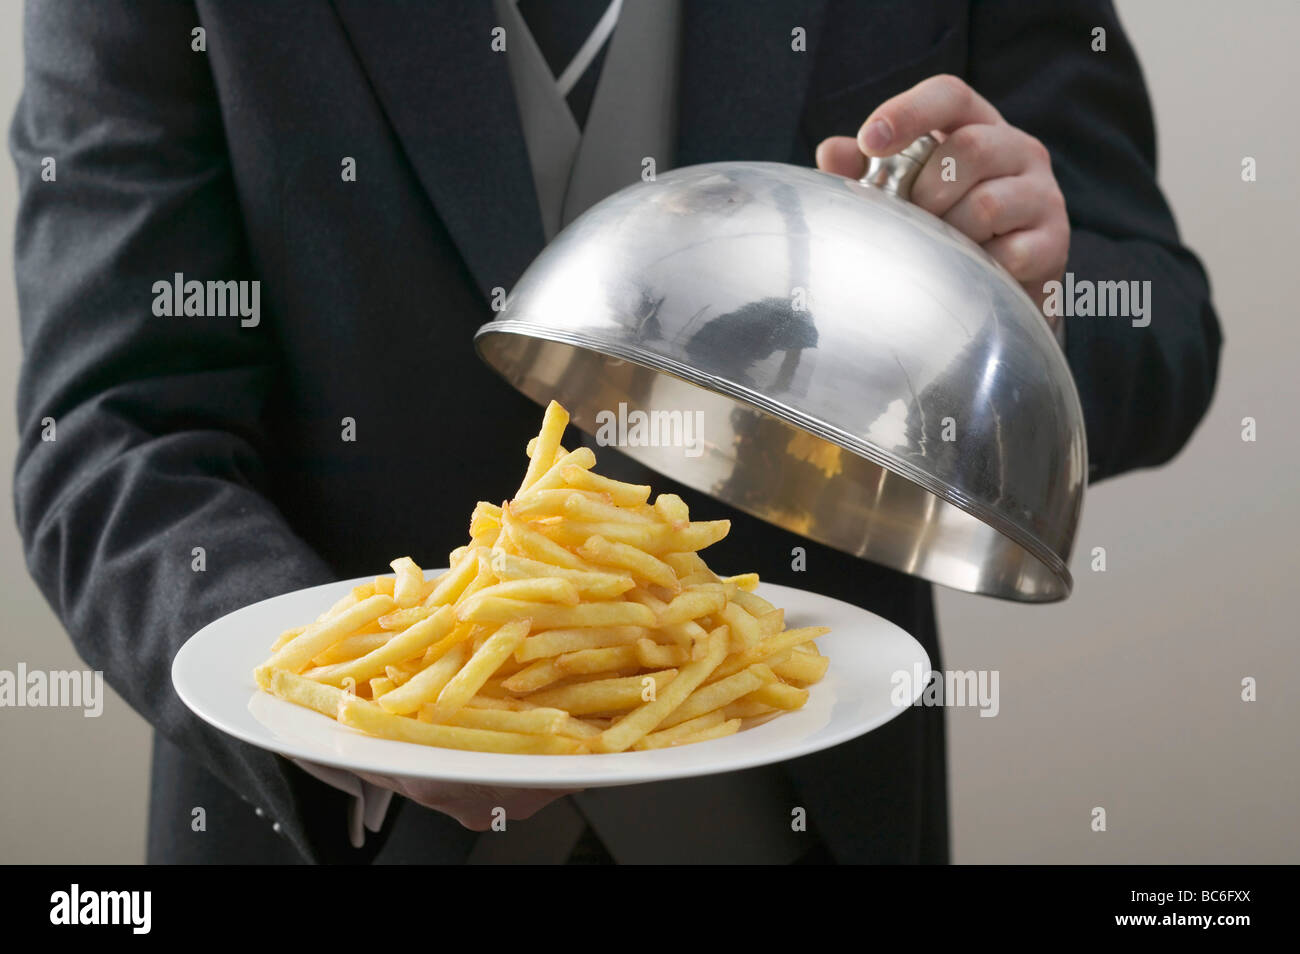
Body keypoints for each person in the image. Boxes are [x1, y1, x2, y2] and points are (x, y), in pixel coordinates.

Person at [11, 0, 1220, 864]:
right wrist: (348, 696)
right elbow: (111, 431)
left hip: (813, 817)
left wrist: (1018, 314)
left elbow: (1161, 323)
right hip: (334, 830)